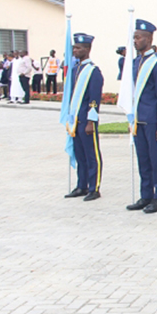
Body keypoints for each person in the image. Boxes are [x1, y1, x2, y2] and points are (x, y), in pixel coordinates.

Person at [126, 20, 157, 214]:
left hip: (153, 120)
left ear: (149, 38)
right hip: (139, 120)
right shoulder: (136, 62)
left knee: (156, 160)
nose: (135, 41)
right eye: (134, 37)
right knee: (143, 160)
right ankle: (145, 195)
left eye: (138, 37)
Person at [63, 33, 104, 201]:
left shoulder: (93, 72)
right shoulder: (75, 69)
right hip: (76, 120)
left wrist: (91, 121)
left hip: (87, 120)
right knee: (80, 154)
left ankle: (94, 188)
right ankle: (82, 185)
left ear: (87, 49)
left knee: (91, 154)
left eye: (78, 48)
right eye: (74, 47)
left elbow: (94, 99)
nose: (75, 50)